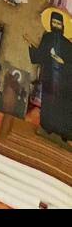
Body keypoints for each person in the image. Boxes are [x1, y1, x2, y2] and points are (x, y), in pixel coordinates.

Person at [31, 8, 72, 140]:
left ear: (63, 26)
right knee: (48, 104)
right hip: (49, 77)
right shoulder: (47, 37)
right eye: (53, 23)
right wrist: (31, 48)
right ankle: (47, 129)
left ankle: (64, 134)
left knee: (62, 107)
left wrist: (62, 62)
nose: (55, 26)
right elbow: (40, 56)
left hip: (63, 81)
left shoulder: (68, 45)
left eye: (58, 24)